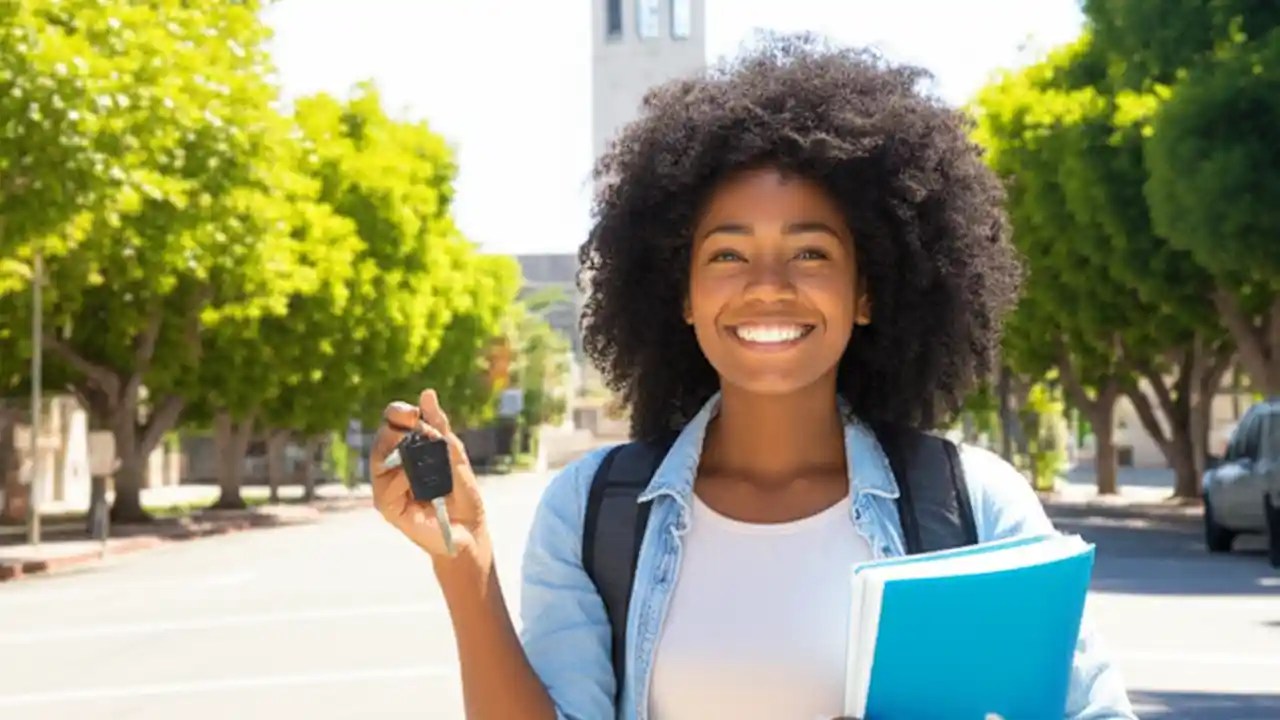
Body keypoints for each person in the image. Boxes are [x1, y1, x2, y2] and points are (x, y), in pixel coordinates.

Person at [372, 35, 1136, 720]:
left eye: (810, 253)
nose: (767, 285)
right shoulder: (593, 511)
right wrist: (463, 563)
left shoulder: (975, 506)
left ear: (867, 291)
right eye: (728, 255)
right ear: (682, 293)